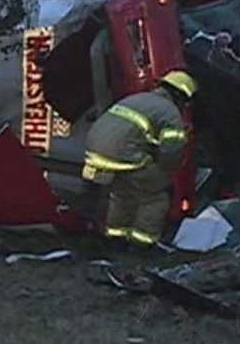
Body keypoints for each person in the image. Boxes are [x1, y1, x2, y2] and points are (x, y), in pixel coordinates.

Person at [80, 70, 197, 247]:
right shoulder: (170, 112)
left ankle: (115, 236)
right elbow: (172, 153)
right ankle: (142, 243)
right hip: (122, 159)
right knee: (156, 196)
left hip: (94, 153)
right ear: (181, 97)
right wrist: (165, 173)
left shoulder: (138, 99)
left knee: (123, 194)